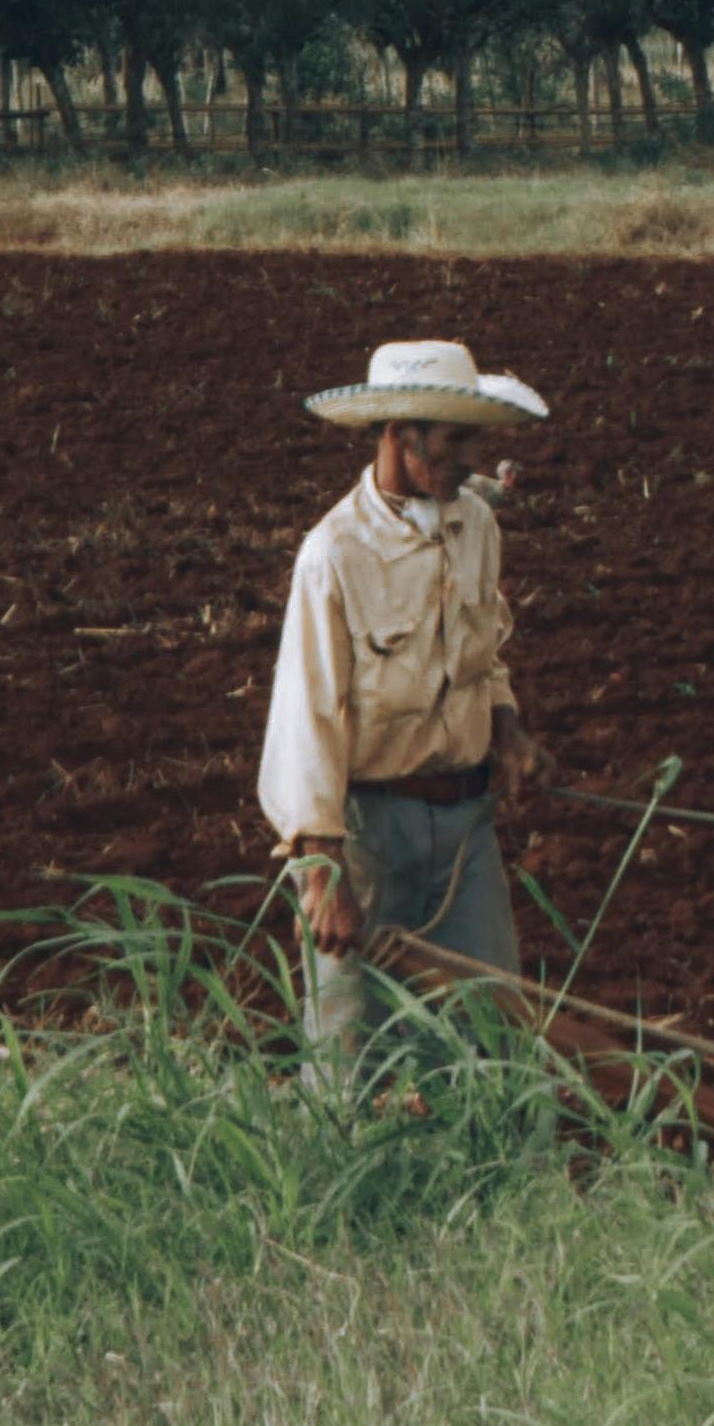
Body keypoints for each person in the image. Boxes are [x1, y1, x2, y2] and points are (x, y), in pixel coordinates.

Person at [258, 339, 556, 1076]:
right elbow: (305, 720)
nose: (470, 460)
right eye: (455, 441)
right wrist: (322, 876)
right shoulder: (334, 553)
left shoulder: (475, 526)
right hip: (366, 836)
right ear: (400, 434)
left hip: (465, 828)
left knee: (497, 1036)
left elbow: (485, 656)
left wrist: (509, 730)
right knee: (353, 1053)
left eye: (473, 439)